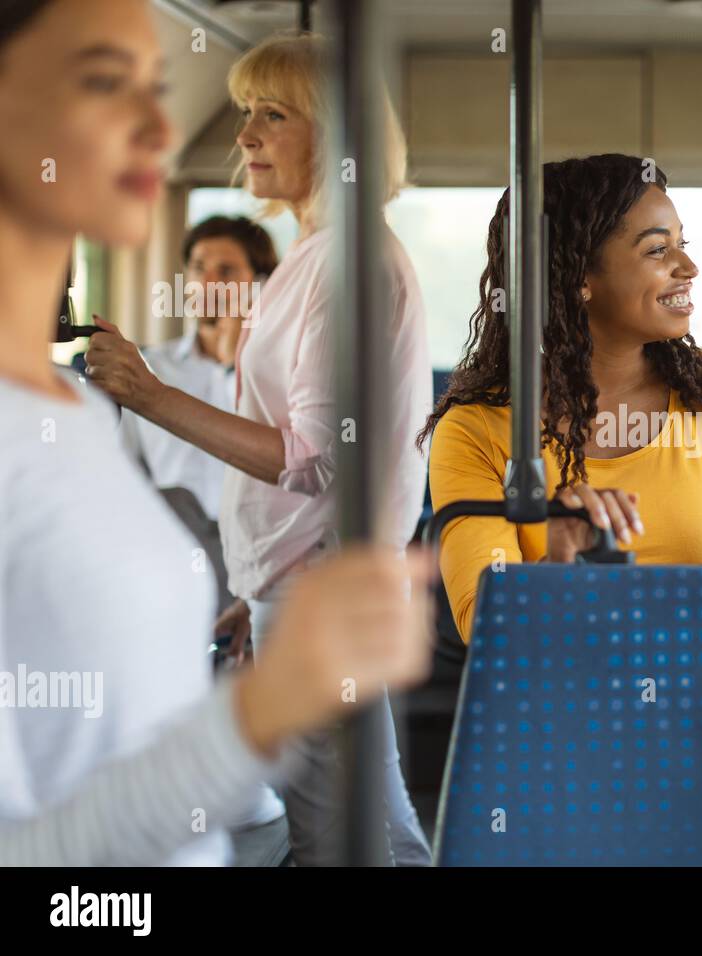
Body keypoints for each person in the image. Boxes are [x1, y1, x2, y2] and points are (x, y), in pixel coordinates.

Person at [0, 0, 432, 866]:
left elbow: (309, 459)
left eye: (274, 113)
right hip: (296, 587)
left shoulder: (346, 260)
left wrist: (153, 397)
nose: (238, 135)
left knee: (342, 843)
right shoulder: (315, 259)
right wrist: (256, 585)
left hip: (316, 588)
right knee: (372, 836)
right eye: (103, 83)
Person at [421, 154, 702, 641]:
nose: (689, 267)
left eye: (682, 244)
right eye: (657, 250)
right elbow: (489, 634)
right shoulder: (475, 429)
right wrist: (559, 571)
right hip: (561, 698)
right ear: (578, 278)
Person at [117, 215, 279, 612]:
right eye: (198, 269)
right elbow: (126, 474)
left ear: (259, 285)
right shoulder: (148, 370)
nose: (207, 283)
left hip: (258, 546)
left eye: (226, 271)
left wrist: (233, 357)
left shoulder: (277, 375)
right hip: (168, 543)